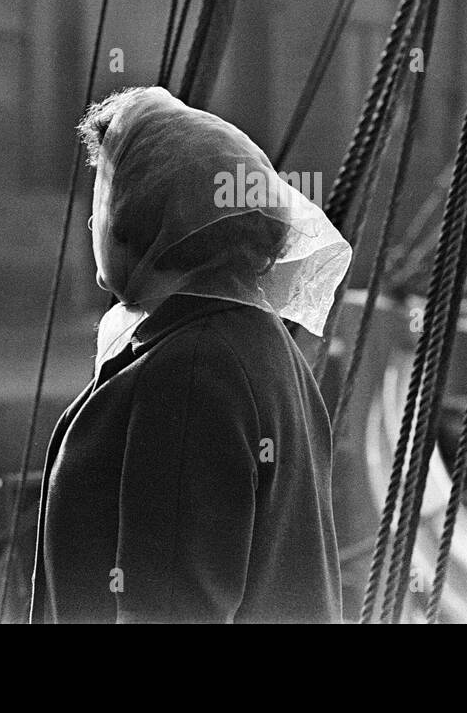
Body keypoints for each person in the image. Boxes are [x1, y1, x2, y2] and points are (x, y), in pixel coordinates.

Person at [30, 86, 352, 623]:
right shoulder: (261, 346)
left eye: (105, 197)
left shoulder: (191, 370)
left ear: (139, 219)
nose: (93, 223)